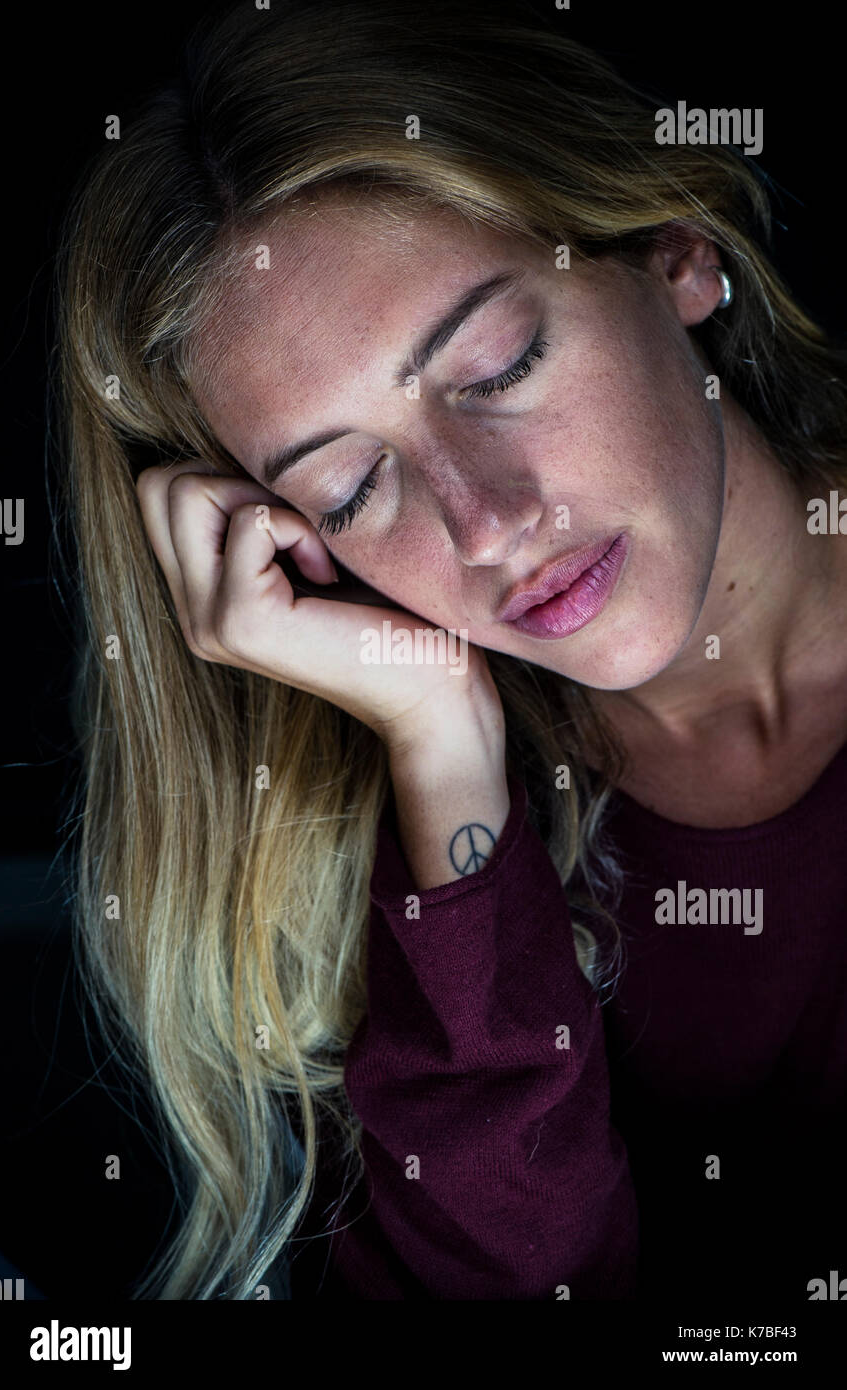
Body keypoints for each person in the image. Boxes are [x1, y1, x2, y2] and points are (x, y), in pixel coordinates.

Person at [54, 0, 847, 1300]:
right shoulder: (401, 866)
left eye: (495, 366)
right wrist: (441, 742)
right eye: (352, 490)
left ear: (673, 249)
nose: (485, 525)